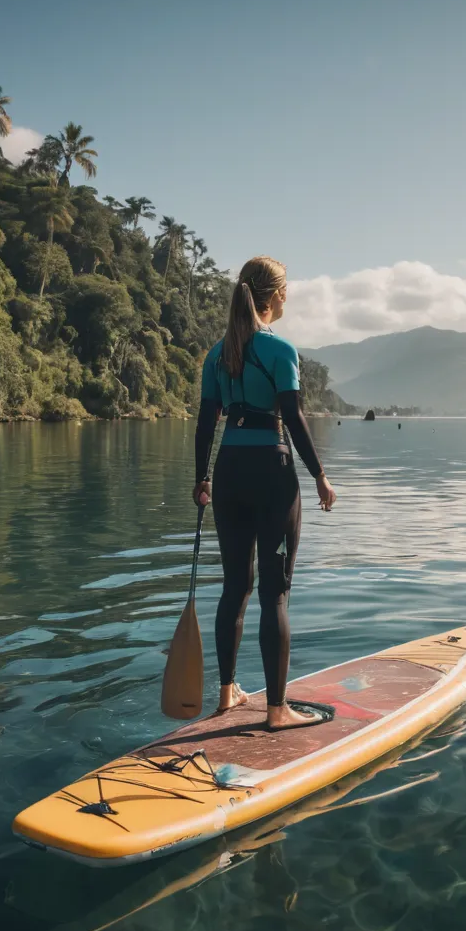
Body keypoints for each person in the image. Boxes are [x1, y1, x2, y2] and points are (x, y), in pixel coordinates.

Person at [194, 255, 337, 730]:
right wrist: (319, 474)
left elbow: (204, 425)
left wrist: (202, 480)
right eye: (286, 289)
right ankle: (277, 711)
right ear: (275, 296)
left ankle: (227, 693)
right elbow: (293, 418)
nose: (287, 295)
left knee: (235, 586)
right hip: (271, 471)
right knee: (274, 594)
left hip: (228, 471)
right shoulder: (280, 351)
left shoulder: (217, 354)